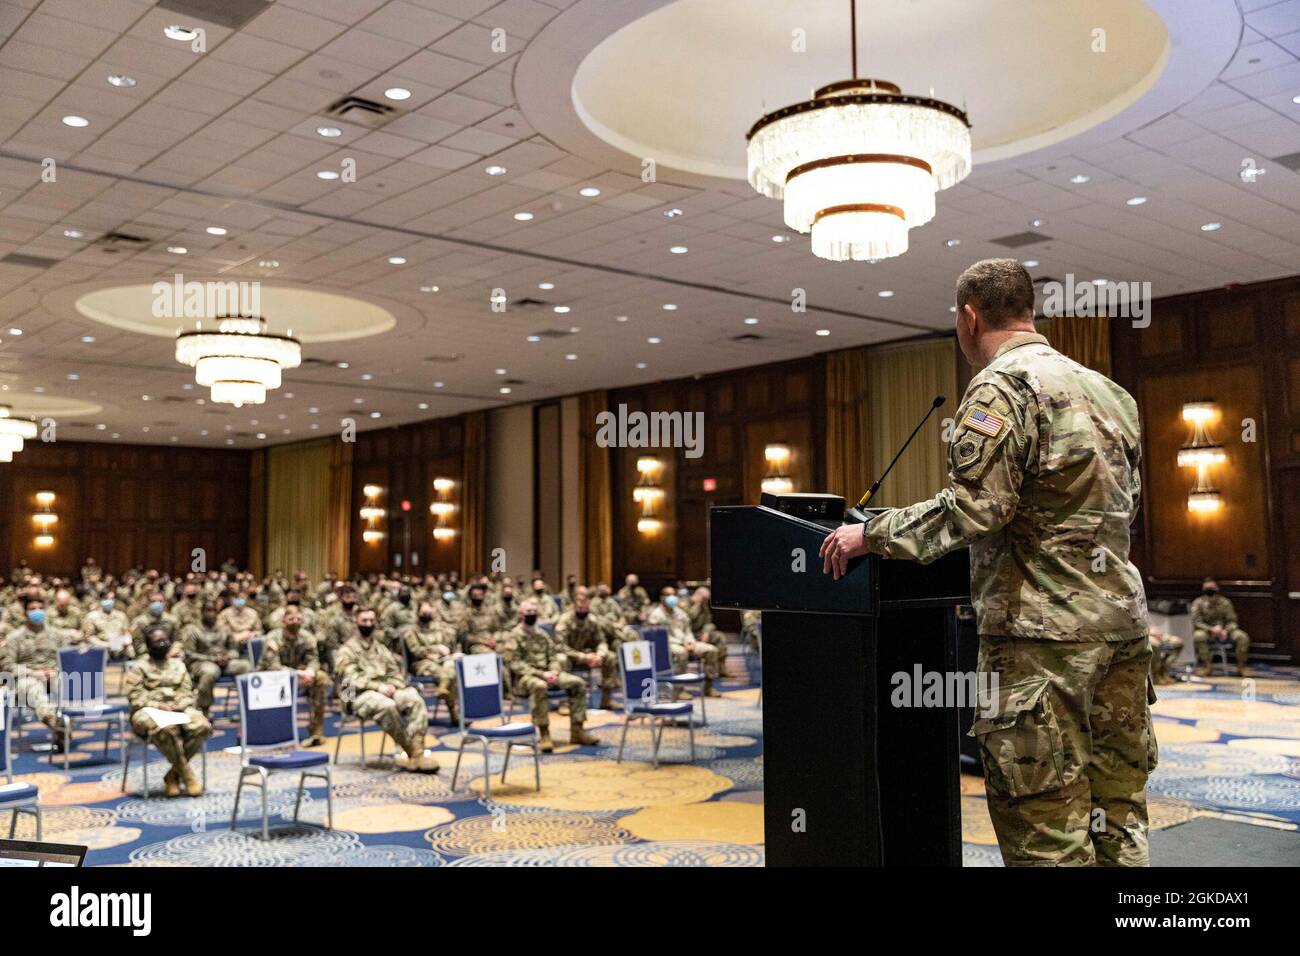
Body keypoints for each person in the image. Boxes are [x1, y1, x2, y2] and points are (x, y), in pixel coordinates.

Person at [819, 258, 1153, 868]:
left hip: (1040, 645)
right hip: (1120, 633)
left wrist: (869, 537)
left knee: (1045, 828)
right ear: (1029, 311)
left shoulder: (1003, 388)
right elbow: (1122, 511)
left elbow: (976, 511)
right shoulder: (1112, 393)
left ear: (969, 317)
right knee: (1117, 817)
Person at [333, 608, 438, 772]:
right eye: (364, 621)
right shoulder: (347, 650)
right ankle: (413, 752)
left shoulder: (380, 648)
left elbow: (395, 671)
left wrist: (393, 686)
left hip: (386, 689)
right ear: (356, 623)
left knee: (414, 699)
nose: (368, 624)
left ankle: (418, 751)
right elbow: (350, 679)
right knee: (386, 705)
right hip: (355, 696)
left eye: (371, 620)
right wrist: (378, 687)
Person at [126, 626, 212, 797]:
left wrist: (180, 704)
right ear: (149, 646)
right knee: (166, 729)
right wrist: (158, 706)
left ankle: (172, 775)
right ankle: (187, 776)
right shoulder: (140, 667)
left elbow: (188, 692)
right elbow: (135, 697)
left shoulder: (178, 665)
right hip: (148, 711)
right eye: (157, 642)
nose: (162, 644)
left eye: (165, 641)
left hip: (177, 708)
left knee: (203, 726)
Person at [506, 599, 598, 751]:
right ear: (521, 614)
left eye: (534, 611)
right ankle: (544, 734)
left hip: (548, 674)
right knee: (540, 686)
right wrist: (542, 674)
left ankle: (577, 730)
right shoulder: (514, 636)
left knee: (578, 683)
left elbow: (553, 656)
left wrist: (554, 672)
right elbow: (515, 664)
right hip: (524, 679)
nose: (532, 614)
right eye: (528, 612)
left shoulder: (542, 634)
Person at [0, 596, 69, 751]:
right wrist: (33, 673)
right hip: (26, 679)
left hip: (53, 676)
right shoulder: (14, 638)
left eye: (40, 608)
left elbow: (66, 659)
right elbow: (7, 666)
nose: (37, 612)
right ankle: (54, 721)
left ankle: (65, 723)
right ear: (25, 613)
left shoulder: (56, 635)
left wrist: (56, 671)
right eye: (32, 609)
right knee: (33, 688)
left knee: (72, 684)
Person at [260, 606, 331, 746]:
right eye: (291, 619)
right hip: (271, 678)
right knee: (280, 681)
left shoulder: (308, 637)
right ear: (283, 621)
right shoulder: (273, 638)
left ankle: (316, 729)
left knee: (321, 678)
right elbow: (273, 667)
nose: (295, 622)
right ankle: (278, 732)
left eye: (299, 619)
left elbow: (313, 660)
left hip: (298, 677)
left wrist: (310, 671)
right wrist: (298, 673)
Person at [645, 586, 722, 696]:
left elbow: (687, 630)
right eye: (668, 595)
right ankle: (678, 690)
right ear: (662, 597)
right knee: (682, 653)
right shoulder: (656, 615)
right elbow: (660, 636)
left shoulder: (680, 613)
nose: (672, 598)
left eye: (673, 595)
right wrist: (683, 644)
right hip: (668, 645)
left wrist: (690, 641)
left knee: (711, 650)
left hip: (686, 642)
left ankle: (708, 688)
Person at [181, 602, 252, 716]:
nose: (211, 614)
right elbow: (189, 654)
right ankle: (205, 709)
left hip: (225, 662)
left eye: (213, 610)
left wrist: (228, 657)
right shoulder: (193, 629)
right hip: (202, 662)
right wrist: (212, 658)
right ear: (202, 613)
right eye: (208, 610)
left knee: (245, 666)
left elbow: (234, 649)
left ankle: (248, 707)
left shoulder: (224, 628)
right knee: (211, 671)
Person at [555, 587, 621, 710]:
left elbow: (601, 641)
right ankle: (564, 702)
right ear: (574, 607)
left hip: (588, 654)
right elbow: (560, 646)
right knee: (561, 659)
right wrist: (583, 657)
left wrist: (600, 654)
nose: (583, 611)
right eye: (580, 609)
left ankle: (606, 701)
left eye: (585, 609)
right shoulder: (565, 620)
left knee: (611, 657)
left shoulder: (592, 620)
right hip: (571, 655)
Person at [402, 602, 459, 724]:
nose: (426, 615)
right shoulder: (411, 631)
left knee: (452, 665)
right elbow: (415, 651)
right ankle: (454, 714)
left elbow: (446, 644)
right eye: (423, 613)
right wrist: (433, 650)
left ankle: (443, 688)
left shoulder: (438, 627)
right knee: (449, 674)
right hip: (421, 663)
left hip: (440, 660)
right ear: (418, 613)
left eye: (429, 612)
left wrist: (442, 652)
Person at [1190, 578, 1249, 677]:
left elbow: (1233, 621)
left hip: (1225, 631)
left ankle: (1241, 667)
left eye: (1211, 588)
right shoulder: (1198, 603)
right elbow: (1196, 622)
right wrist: (1211, 629)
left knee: (1243, 637)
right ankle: (1207, 666)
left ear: (1217, 588)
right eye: (1207, 588)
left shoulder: (1225, 603)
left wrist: (1225, 630)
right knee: (1198, 636)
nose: (1209, 590)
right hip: (1207, 631)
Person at [683, 586, 727, 678]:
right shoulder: (684, 603)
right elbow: (689, 619)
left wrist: (706, 632)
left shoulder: (704, 605)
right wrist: (697, 605)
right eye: (704, 599)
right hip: (687, 635)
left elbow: (708, 622)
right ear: (697, 595)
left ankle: (721, 669)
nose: (706, 601)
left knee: (720, 637)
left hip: (700, 633)